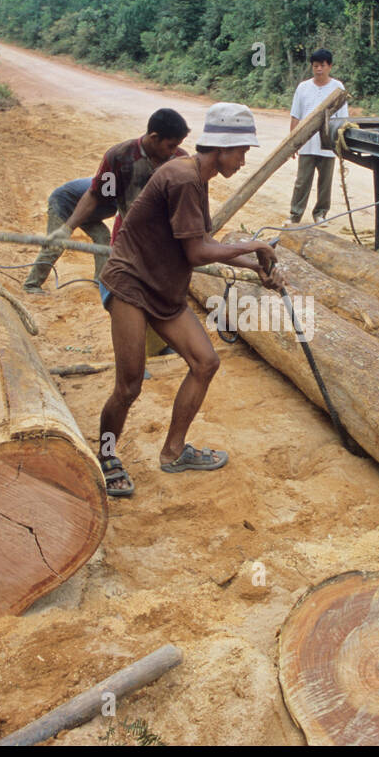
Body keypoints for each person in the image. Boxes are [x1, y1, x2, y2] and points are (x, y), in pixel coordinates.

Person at [96, 103, 285, 498]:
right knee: (129, 386)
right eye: (241, 152)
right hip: (132, 283)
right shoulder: (183, 178)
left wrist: (255, 266)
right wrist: (253, 245)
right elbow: (198, 255)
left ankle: (174, 452)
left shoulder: (197, 176)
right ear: (220, 147)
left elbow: (201, 244)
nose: (243, 161)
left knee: (205, 362)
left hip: (163, 287)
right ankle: (107, 456)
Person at [23, 108, 191, 292]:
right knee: (57, 242)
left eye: (178, 145)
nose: (174, 151)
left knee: (102, 239)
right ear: (154, 137)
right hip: (65, 204)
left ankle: (101, 282)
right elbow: (94, 197)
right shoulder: (120, 158)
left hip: (94, 213)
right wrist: (67, 228)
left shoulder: (178, 160)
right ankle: (32, 284)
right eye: (170, 145)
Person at [287, 48, 349, 225]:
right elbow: (295, 115)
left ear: (329, 66)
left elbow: (343, 118)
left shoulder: (338, 88)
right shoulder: (303, 87)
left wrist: (340, 144)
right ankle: (295, 214)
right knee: (302, 181)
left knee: (325, 183)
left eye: (322, 65)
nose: (318, 69)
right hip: (306, 143)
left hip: (327, 143)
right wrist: (293, 143)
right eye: (315, 66)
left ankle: (320, 214)